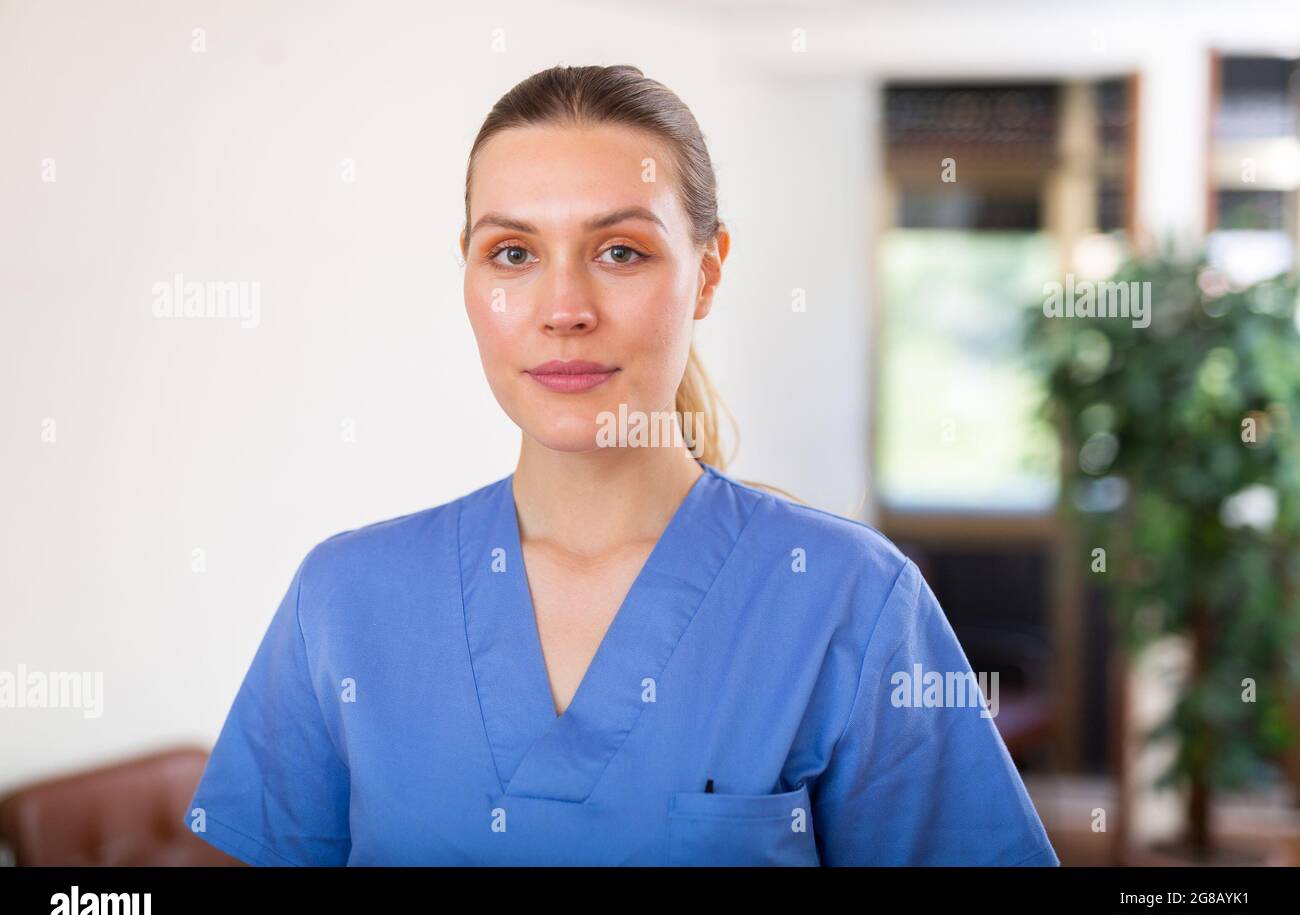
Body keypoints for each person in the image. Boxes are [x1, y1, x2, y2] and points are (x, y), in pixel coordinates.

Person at [183, 64, 1059, 867]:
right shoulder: (344, 600)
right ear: (469, 277)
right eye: (514, 254)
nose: (564, 309)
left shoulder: (849, 601)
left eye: (620, 252)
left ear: (708, 273)